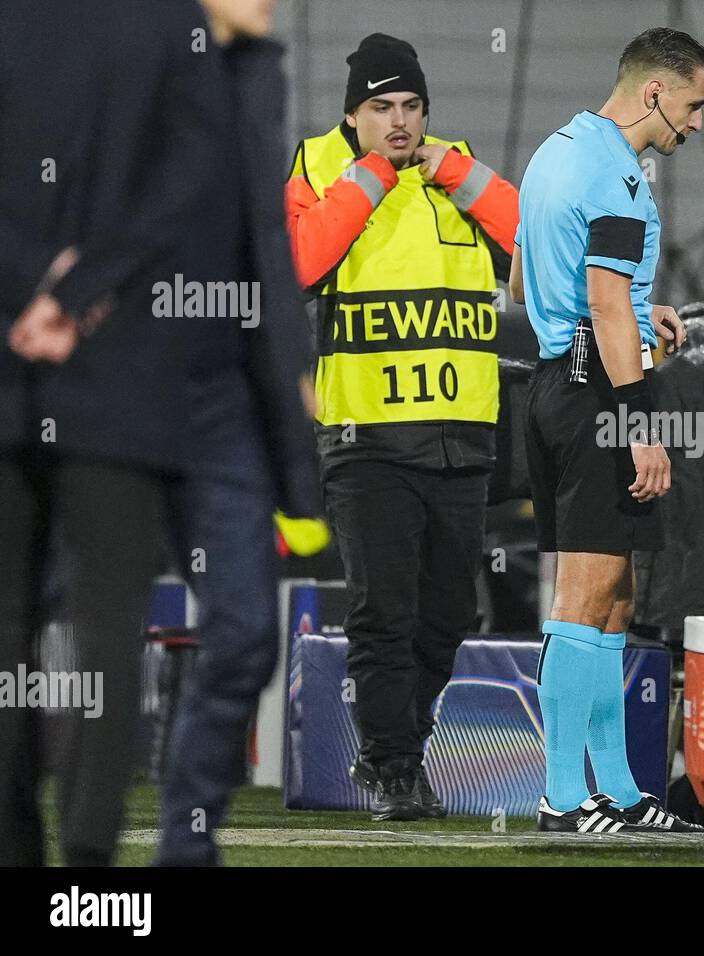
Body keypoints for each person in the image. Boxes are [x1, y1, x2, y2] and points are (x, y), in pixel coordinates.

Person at [0, 0, 243, 866]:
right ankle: (91, 867)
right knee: (109, 626)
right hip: (126, 365)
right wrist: (84, 289)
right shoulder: (172, 28)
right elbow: (188, 184)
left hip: (12, 354)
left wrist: (36, 284)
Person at [286, 33, 520, 821]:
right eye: (381, 107)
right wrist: (374, 176)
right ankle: (390, 769)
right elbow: (304, 260)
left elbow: (536, 240)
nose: (400, 121)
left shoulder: (457, 168)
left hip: (462, 433)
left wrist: (455, 174)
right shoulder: (320, 165)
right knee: (383, 612)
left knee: (452, 616)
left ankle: (398, 750)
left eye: (411, 106)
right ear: (353, 115)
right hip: (368, 436)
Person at [511, 27, 704, 833]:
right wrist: (642, 427)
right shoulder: (619, 175)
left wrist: (636, 309)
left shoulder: (555, 151)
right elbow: (599, 301)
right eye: (694, 105)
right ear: (656, 91)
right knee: (585, 595)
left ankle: (621, 794)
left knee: (617, 596)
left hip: (560, 382)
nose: (696, 124)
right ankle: (562, 796)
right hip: (600, 393)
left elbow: (528, 281)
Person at [155, 0, 322, 866]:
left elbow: (263, 236)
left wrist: (290, 368)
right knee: (52, 631)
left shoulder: (261, 72)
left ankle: (188, 844)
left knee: (249, 627)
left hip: (226, 394)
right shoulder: (126, 51)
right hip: (112, 386)